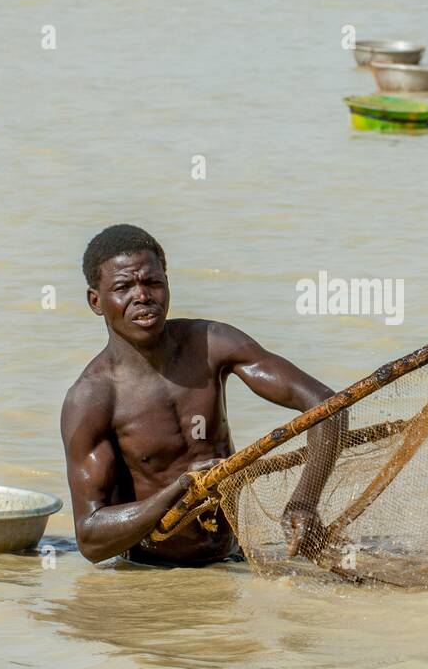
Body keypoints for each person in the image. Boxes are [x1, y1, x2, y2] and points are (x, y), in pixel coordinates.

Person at [60, 225, 344, 566]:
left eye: (152, 283)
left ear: (167, 285)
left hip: (233, 558)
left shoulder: (211, 344)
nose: (142, 296)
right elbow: (91, 539)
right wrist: (179, 490)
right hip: (152, 573)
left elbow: (329, 407)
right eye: (123, 287)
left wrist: (304, 502)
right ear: (96, 301)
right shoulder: (92, 399)